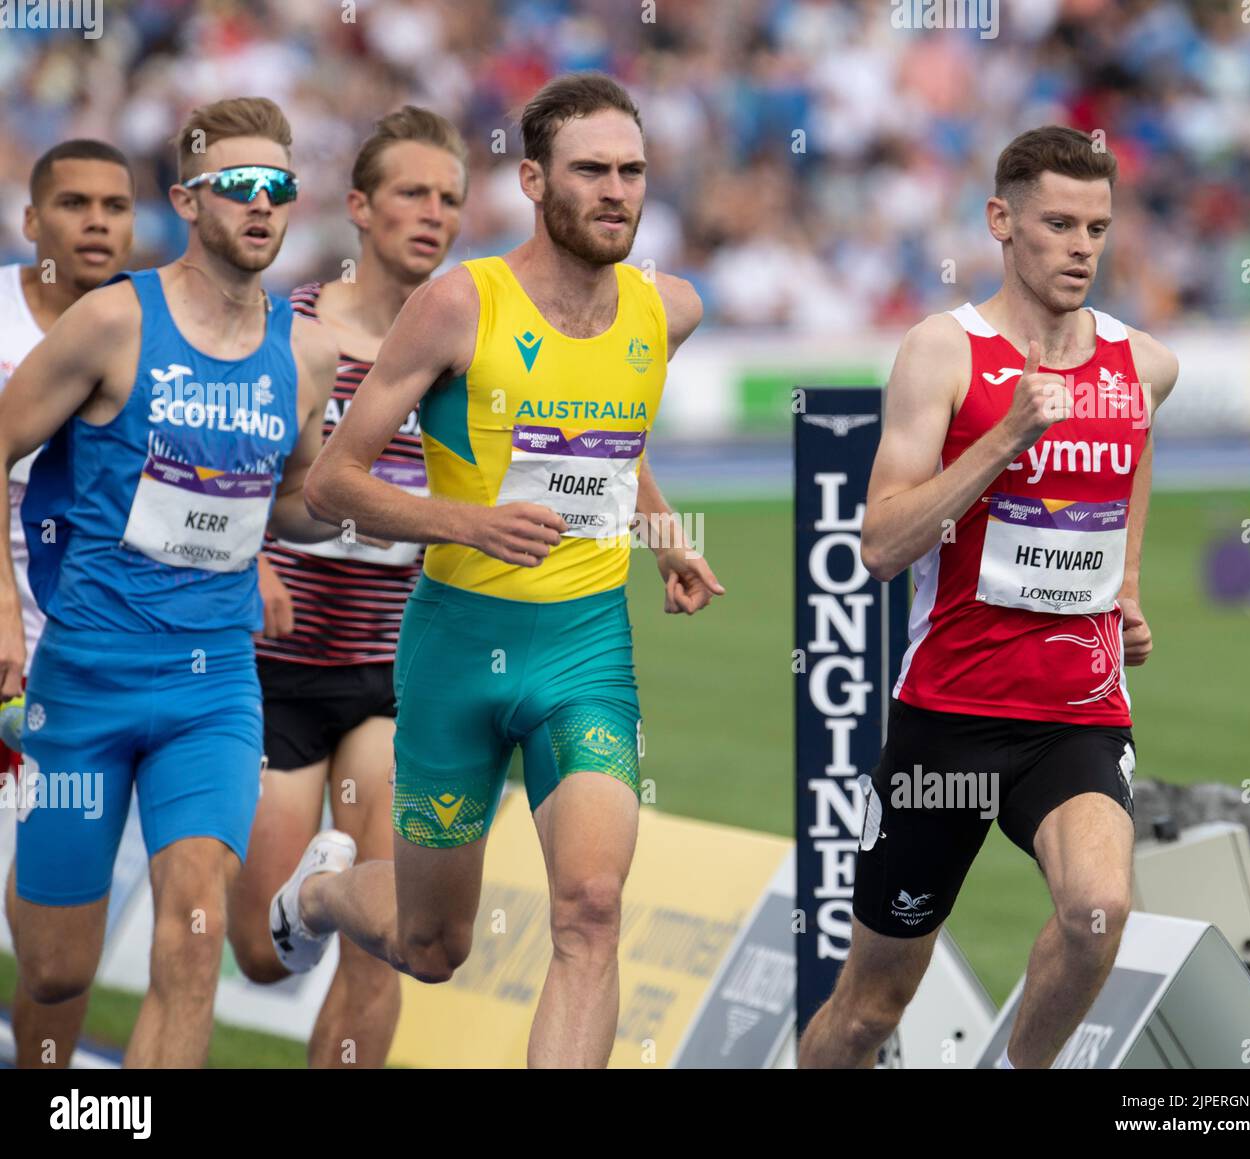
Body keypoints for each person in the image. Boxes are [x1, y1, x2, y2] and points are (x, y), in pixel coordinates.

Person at [269, 72, 724, 1068]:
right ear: (531, 178)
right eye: (590, 170)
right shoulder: (456, 306)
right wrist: (467, 522)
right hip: (455, 650)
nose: (616, 191)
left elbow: (605, 445)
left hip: (585, 650)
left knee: (592, 907)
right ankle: (323, 889)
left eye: (632, 171)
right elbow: (336, 482)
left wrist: (664, 538)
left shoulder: (667, 310)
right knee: (434, 947)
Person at [799, 126, 1178, 1069]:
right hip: (949, 720)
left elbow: (1130, 457)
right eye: (1058, 223)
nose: (1082, 246)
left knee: (1099, 908)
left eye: (1097, 225)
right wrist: (1005, 437)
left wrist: (1125, 582)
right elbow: (880, 543)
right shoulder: (944, 354)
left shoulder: (1144, 365)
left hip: (1075, 716)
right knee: (871, 1006)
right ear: (1002, 222)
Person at [0, 97, 339, 1068]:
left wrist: (385, 511)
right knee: (57, 967)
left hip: (214, 690)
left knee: (191, 939)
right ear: (188, 201)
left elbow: (295, 502)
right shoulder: (112, 320)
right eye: (239, 187)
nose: (263, 205)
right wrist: (6, 626)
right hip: (85, 680)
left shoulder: (304, 351)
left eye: (279, 187)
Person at [226, 106, 468, 1069]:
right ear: (360, 208)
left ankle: (339, 893)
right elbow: (210, 467)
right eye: (413, 193)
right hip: (274, 672)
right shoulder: (286, 330)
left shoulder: (467, 345)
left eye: (451, 198)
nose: (434, 214)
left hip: (396, 673)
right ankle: (312, 894)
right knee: (259, 953)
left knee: (395, 942)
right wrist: (245, 555)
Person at [0, 138, 135, 1069]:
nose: (96, 222)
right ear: (32, 221)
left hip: (85, 660)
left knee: (62, 922)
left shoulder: (143, 328)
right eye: (76, 203)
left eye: (115, 207)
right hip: (5, 630)